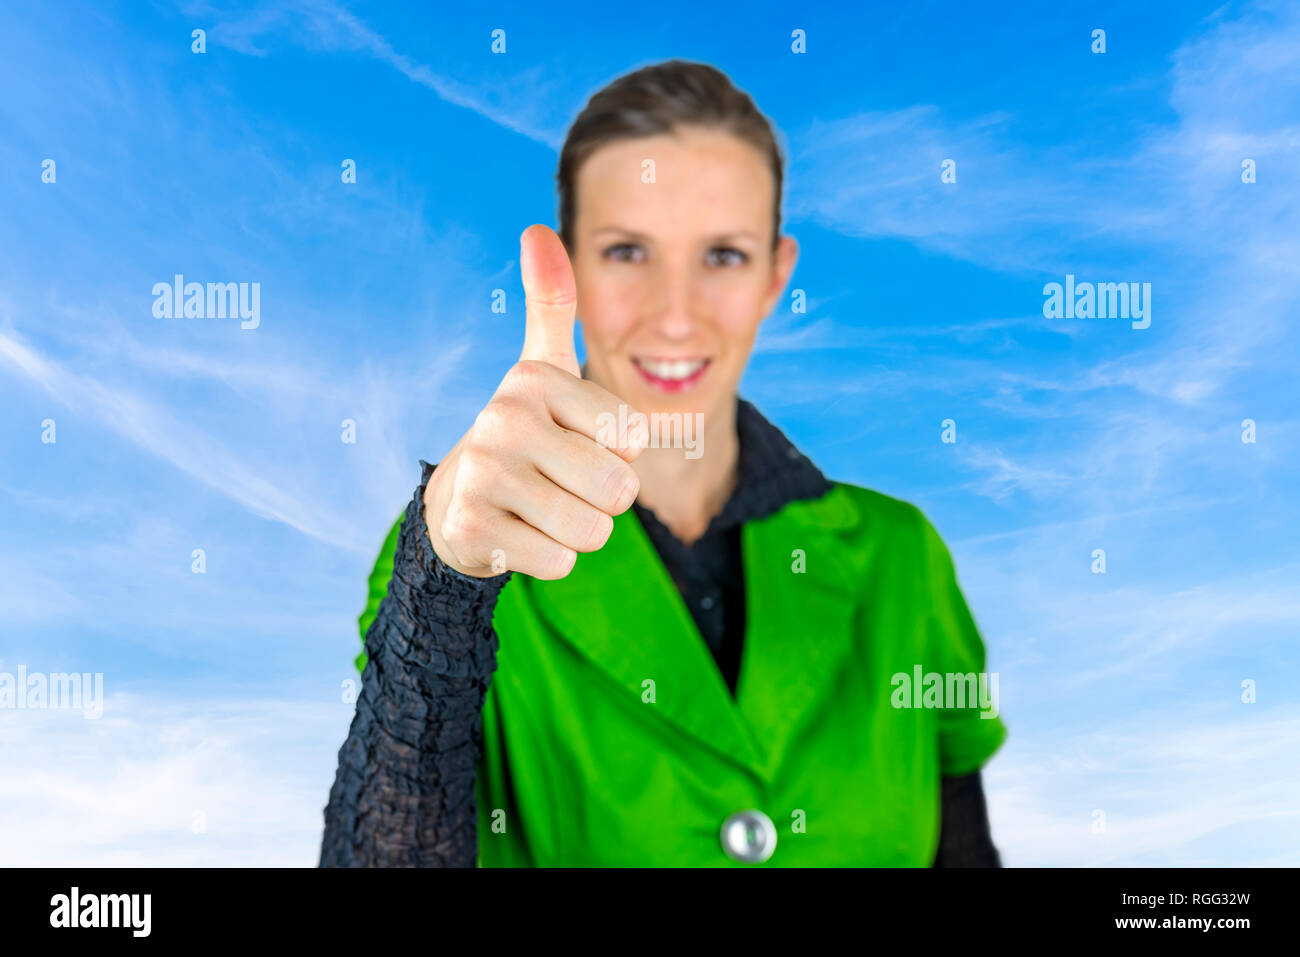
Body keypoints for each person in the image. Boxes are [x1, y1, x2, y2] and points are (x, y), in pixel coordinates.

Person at [319, 59, 1007, 867]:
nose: (675, 316)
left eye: (721, 255)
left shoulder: (904, 555)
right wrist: (442, 586)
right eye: (627, 252)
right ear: (571, 263)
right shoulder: (462, 553)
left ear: (774, 274)